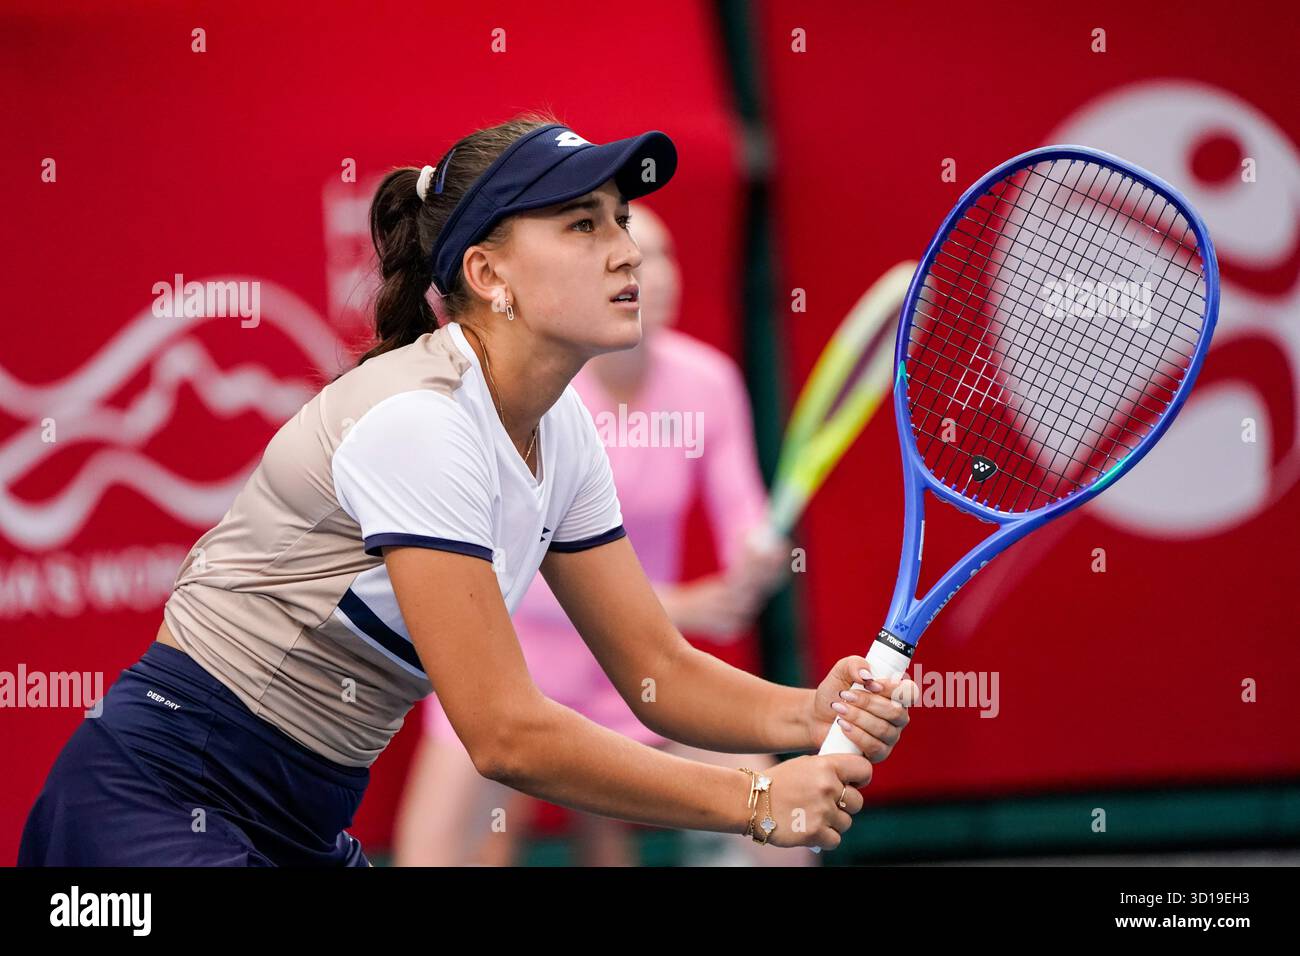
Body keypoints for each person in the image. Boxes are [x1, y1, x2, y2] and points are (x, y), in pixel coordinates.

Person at [18, 111, 913, 867]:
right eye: (581, 224)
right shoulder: (422, 420)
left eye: (620, 218)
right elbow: (506, 734)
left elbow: (655, 671)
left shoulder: (559, 431)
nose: (624, 247)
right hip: (152, 800)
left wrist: (808, 710)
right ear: (488, 277)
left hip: (299, 817)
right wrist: (757, 797)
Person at [394, 205, 808, 866]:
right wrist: (680, 606)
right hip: (511, 673)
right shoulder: (532, 391)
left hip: (645, 671)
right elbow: (507, 575)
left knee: (783, 838)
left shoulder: (710, 382)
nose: (651, 272)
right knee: (435, 859)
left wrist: (758, 560)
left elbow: (746, 527)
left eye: (664, 256)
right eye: (630, 257)